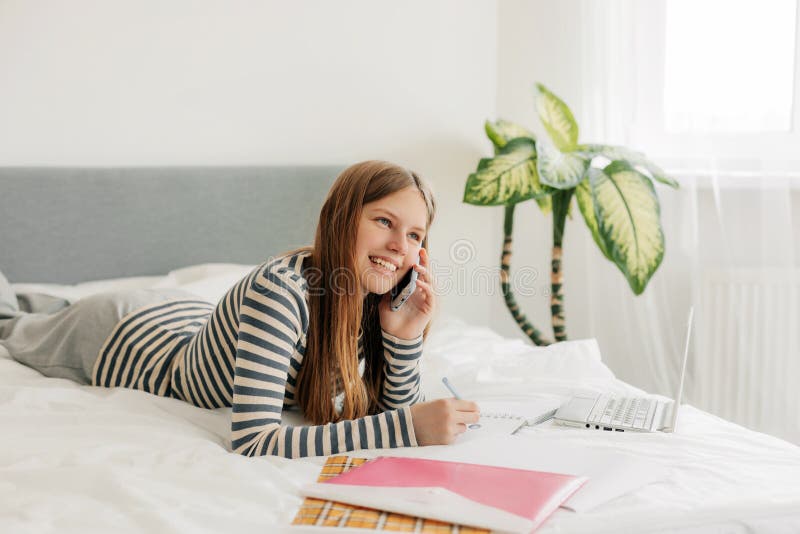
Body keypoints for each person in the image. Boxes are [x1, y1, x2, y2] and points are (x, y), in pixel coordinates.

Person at [0, 160, 481, 458]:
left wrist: (402, 336)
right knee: (11, 322)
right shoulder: (282, 292)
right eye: (384, 221)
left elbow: (388, 409)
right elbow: (254, 441)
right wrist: (408, 427)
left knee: (46, 304)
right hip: (123, 336)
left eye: (415, 235)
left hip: (181, 314)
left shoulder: (373, 305)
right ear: (341, 218)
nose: (400, 245)